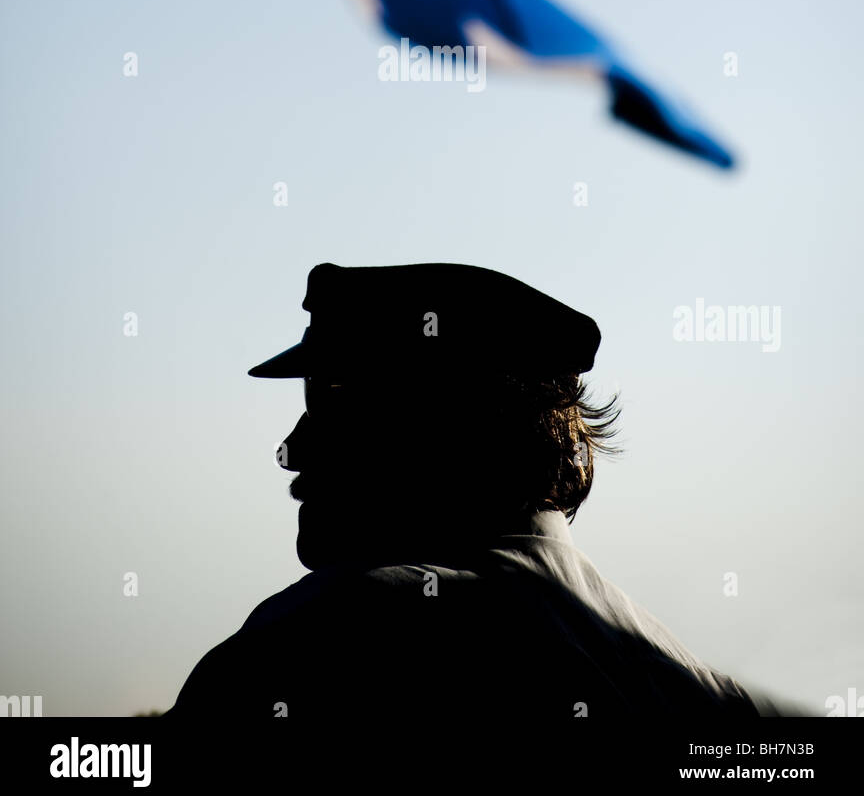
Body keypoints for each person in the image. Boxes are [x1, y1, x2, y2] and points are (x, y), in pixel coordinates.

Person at [165, 261, 762, 746]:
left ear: (448, 423)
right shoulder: (704, 696)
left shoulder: (330, 633)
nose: (292, 448)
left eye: (332, 401)